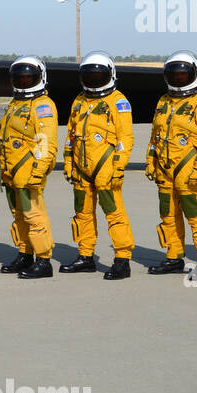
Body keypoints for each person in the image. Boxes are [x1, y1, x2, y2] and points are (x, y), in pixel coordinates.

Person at [145, 51, 197, 281]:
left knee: (195, 215)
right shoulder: (164, 101)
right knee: (168, 215)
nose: (178, 79)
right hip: (165, 169)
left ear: (195, 74)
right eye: (174, 75)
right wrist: (150, 160)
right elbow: (155, 135)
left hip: (188, 170)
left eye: (183, 75)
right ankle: (174, 256)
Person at [61, 51, 134, 280]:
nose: (93, 80)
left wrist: (118, 166)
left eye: (98, 76)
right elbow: (71, 135)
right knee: (82, 213)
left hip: (105, 168)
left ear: (110, 75)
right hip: (82, 168)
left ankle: (122, 260)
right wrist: (68, 161)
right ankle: (85, 256)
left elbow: (126, 139)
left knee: (114, 214)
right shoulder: (80, 100)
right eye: (89, 76)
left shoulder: (117, 102)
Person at [0, 56, 57, 279]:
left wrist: (38, 171)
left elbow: (46, 143)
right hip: (12, 172)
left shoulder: (42, 106)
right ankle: (25, 253)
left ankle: (43, 260)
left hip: (28, 171)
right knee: (19, 216)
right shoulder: (16, 103)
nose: (23, 82)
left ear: (40, 78)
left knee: (34, 215)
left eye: (28, 78)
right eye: (19, 78)